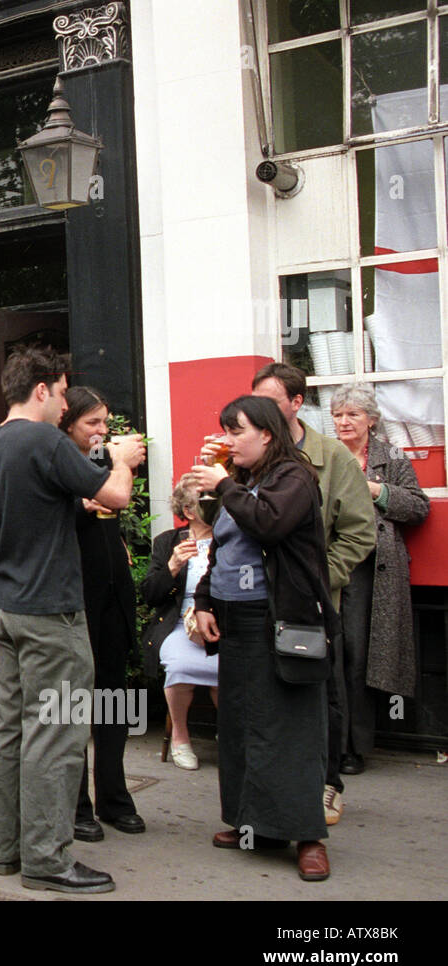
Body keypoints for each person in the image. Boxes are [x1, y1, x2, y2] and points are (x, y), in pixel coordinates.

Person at [0, 345, 145, 894]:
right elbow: (116, 497)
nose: (63, 405)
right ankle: (48, 861)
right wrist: (122, 458)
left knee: (9, 729)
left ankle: (8, 852)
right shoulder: (46, 441)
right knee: (56, 736)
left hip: (6, 614)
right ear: (41, 390)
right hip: (52, 615)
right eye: (60, 393)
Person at [189, 395, 335, 882]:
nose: (228, 440)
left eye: (237, 431)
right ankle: (254, 823)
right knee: (241, 727)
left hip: (277, 622)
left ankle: (309, 836)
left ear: (267, 435)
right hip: (234, 622)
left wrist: (224, 483)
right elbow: (222, 551)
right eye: (225, 431)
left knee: (289, 731)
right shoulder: (246, 482)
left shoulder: (295, 476)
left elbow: (268, 524)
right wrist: (205, 602)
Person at [247, 362, 376, 826]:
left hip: (311, 607)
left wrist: (319, 578)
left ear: (297, 403)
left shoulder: (330, 457)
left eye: (271, 401)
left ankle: (326, 787)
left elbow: (360, 533)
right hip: (257, 607)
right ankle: (274, 801)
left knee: (322, 695)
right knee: (271, 699)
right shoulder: (246, 456)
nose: (259, 411)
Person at [59, 387, 144, 839]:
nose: (102, 431)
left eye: (105, 422)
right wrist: (113, 462)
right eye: (92, 422)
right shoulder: (58, 460)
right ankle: (76, 806)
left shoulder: (99, 460)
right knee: (73, 703)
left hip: (113, 592)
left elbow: (117, 507)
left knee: (115, 698)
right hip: (74, 598)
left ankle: (114, 797)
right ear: (67, 422)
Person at [330, 383, 428, 775]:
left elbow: (418, 507)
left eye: (353, 414)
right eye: (338, 414)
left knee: (358, 659)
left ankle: (355, 747)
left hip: (374, 570)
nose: (344, 421)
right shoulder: (327, 456)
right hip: (333, 564)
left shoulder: (391, 457)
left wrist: (375, 490)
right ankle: (331, 745)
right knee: (332, 655)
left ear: (371, 420)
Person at [140, 478, 219, 771]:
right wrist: (173, 566)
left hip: (220, 623)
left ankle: (231, 734)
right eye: (205, 499)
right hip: (177, 623)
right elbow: (150, 595)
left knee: (229, 667)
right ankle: (181, 739)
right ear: (188, 510)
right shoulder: (167, 542)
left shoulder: (230, 537)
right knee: (180, 666)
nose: (214, 503)